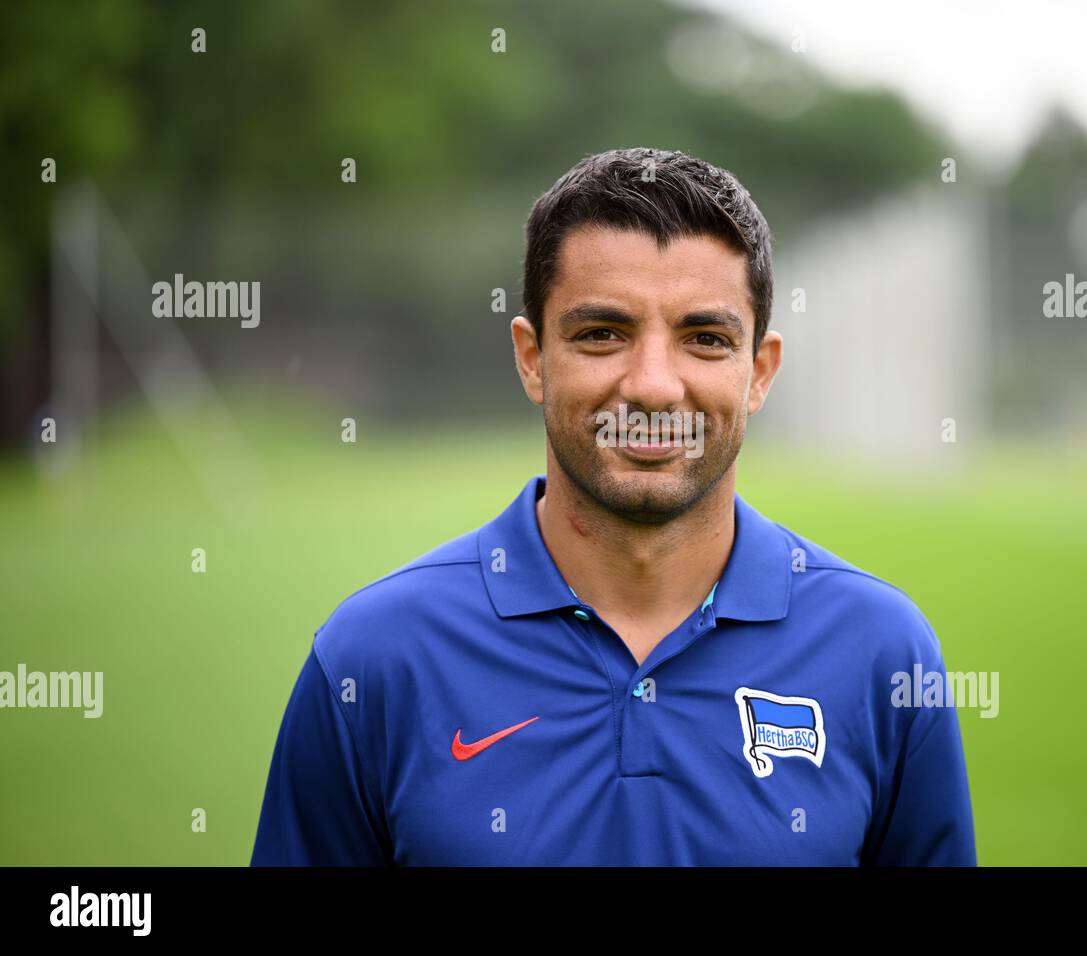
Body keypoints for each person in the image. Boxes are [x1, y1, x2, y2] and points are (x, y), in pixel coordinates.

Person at [250, 147, 977, 865]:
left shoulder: (883, 652)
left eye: (705, 338)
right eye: (603, 334)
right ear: (532, 358)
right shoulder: (373, 657)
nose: (655, 385)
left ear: (759, 372)